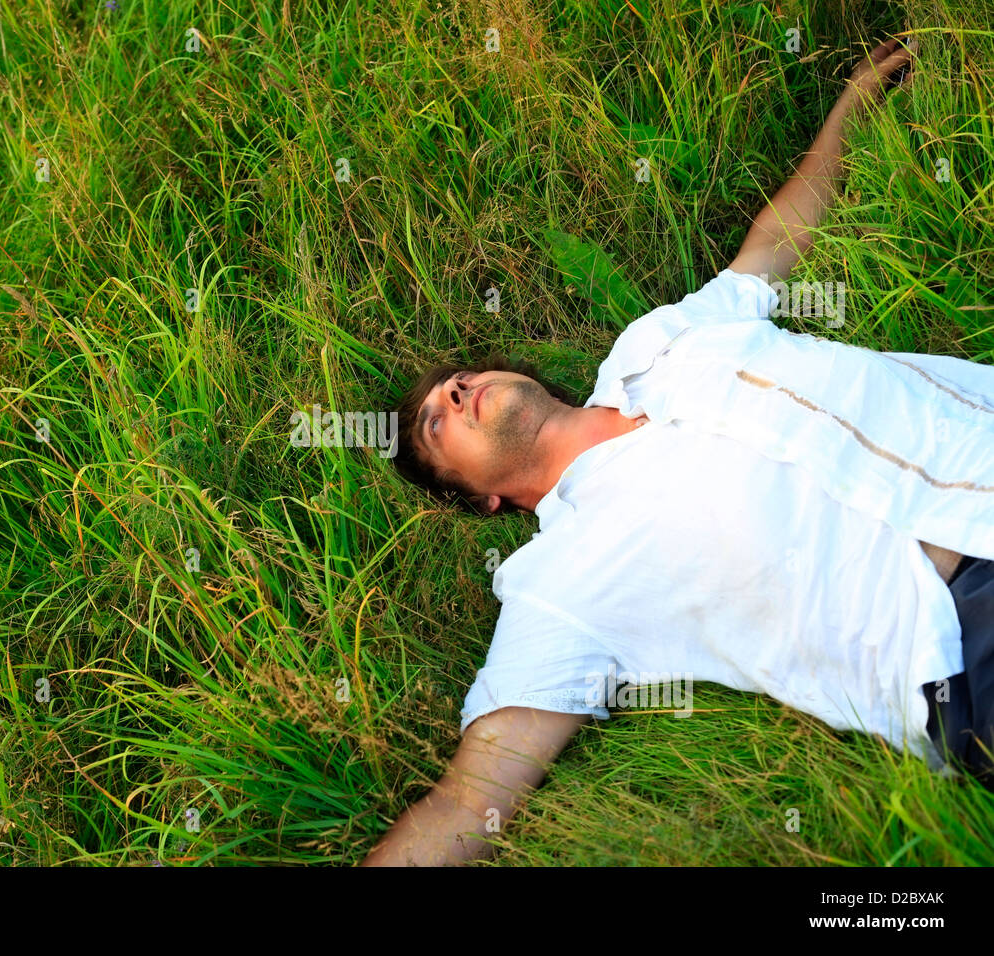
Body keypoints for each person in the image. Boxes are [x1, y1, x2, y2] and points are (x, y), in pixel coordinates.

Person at [365, 36, 994, 867]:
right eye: (436, 427)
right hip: (960, 618)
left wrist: (850, 103)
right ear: (482, 500)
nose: (453, 394)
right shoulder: (558, 586)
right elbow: (472, 795)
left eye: (455, 382)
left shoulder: (652, 346)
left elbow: (773, 245)